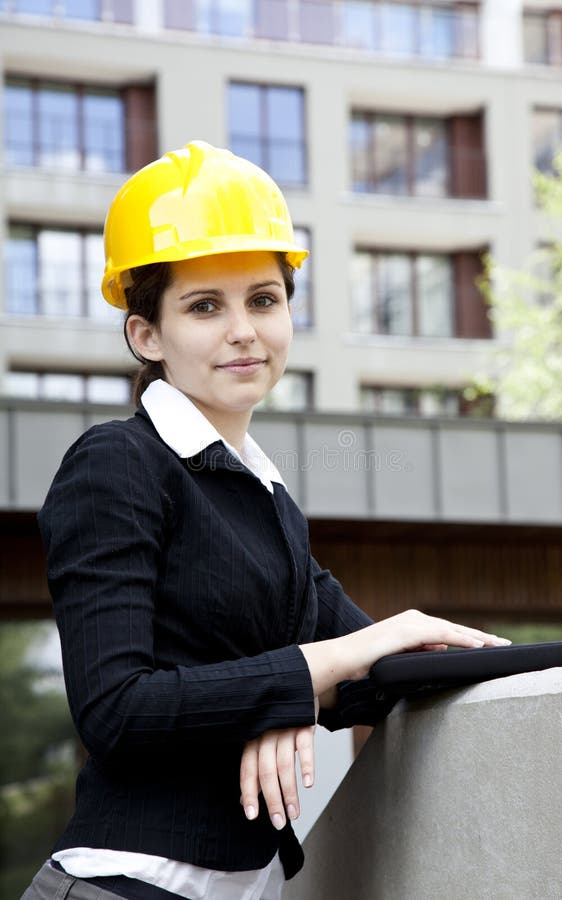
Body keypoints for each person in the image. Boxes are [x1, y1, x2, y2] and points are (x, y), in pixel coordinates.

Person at [23, 141, 510, 900]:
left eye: (263, 299)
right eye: (204, 306)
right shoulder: (118, 462)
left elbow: (373, 678)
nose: (244, 329)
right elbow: (116, 708)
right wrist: (300, 680)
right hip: (128, 883)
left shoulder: (267, 496)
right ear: (146, 335)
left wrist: (292, 696)